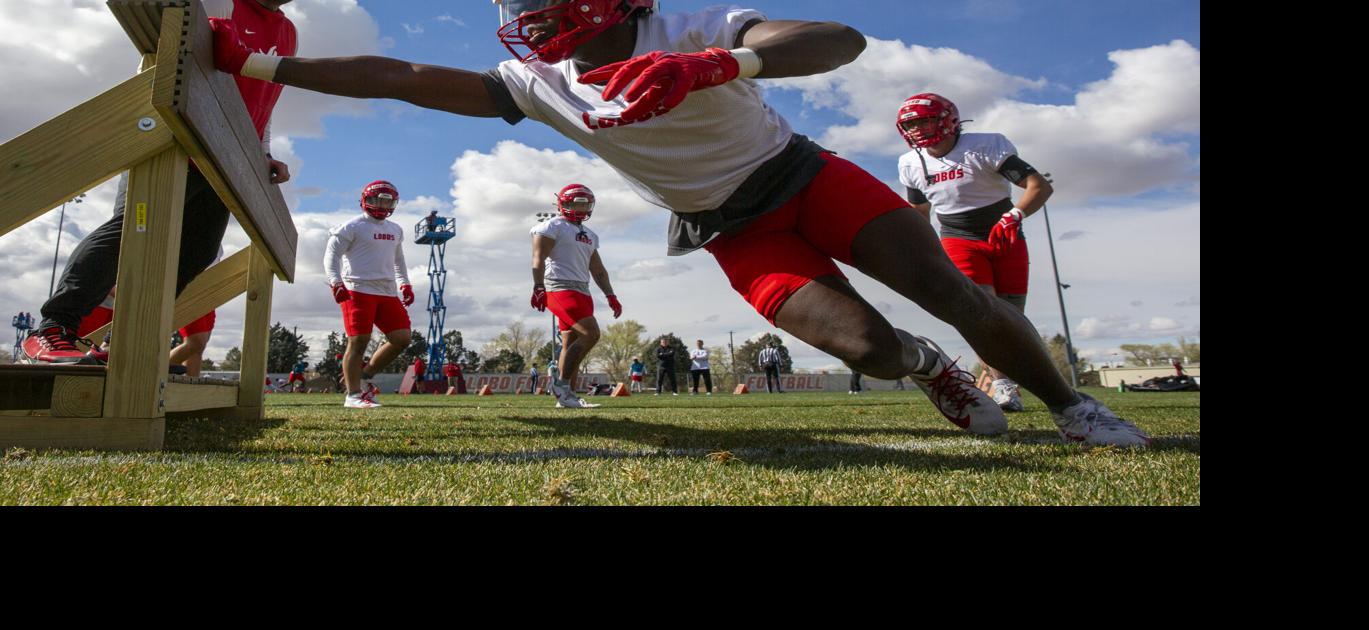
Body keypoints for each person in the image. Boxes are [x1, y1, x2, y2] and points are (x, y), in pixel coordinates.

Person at [208, 0, 1146, 444]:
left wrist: (716, 66)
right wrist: (258, 70)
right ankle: (930, 370)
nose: (525, 15)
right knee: (863, 344)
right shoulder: (535, 81)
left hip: (802, 174)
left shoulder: (688, 22)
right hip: (728, 226)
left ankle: (1073, 407)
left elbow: (835, 40)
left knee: (948, 288)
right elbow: (398, 76)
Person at [21, 0, 298, 367]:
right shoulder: (223, 2)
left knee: (198, 251)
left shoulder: (288, 32)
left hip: (227, 156)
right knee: (130, 232)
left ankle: (127, 339)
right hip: (176, 133)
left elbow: (265, 99)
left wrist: (262, 152)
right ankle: (54, 328)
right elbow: (166, 50)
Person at [896, 92, 1050, 413]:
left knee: (1012, 318)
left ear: (949, 120)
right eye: (911, 124)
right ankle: (1004, 385)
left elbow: (1039, 186)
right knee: (981, 313)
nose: (918, 129)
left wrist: (1015, 215)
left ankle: (1004, 378)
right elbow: (919, 211)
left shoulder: (986, 145)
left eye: (924, 120)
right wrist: (922, 254)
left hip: (1004, 231)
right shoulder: (910, 163)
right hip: (957, 237)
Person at [325, 180, 416, 409]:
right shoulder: (352, 226)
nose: (383, 205)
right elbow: (331, 256)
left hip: (386, 291)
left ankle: (366, 374)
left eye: (388, 201)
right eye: (378, 200)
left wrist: (405, 283)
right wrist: (336, 282)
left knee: (402, 338)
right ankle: (353, 395)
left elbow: (398, 260)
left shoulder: (395, 229)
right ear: (365, 200)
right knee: (358, 341)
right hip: (357, 289)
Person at [530, 183, 622, 408]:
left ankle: (566, 397)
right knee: (591, 334)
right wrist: (539, 286)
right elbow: (538, 259)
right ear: (563, 203)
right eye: (575, 203)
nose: (580, 208)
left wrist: (610, 295)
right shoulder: (551, 226)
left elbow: (598, 269)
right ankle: (561, 386)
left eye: (584, 204)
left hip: (582, 289)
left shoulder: (589, 234)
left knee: (570, 341)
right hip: (560, 287)